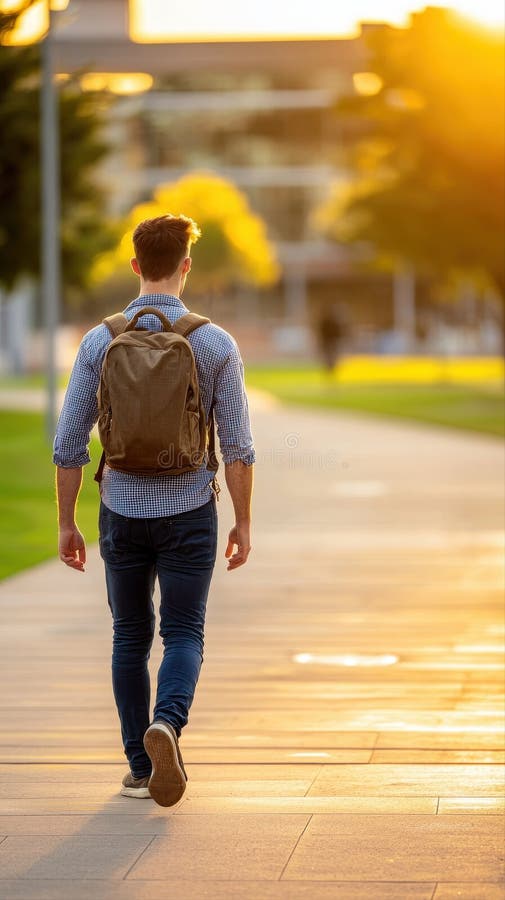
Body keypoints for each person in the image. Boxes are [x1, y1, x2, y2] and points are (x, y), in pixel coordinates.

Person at [53, 214, 255, 807]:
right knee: (185, 632)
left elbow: (69, 442)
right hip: (191, 509)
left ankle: (141, 767)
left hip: (121, 511)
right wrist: (243, 520)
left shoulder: (100, 340)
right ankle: (166, 721)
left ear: (136, 265)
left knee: (128, 636)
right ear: (186, 266)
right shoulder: (215, 342)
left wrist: (66, 522)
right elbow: (239, 446)